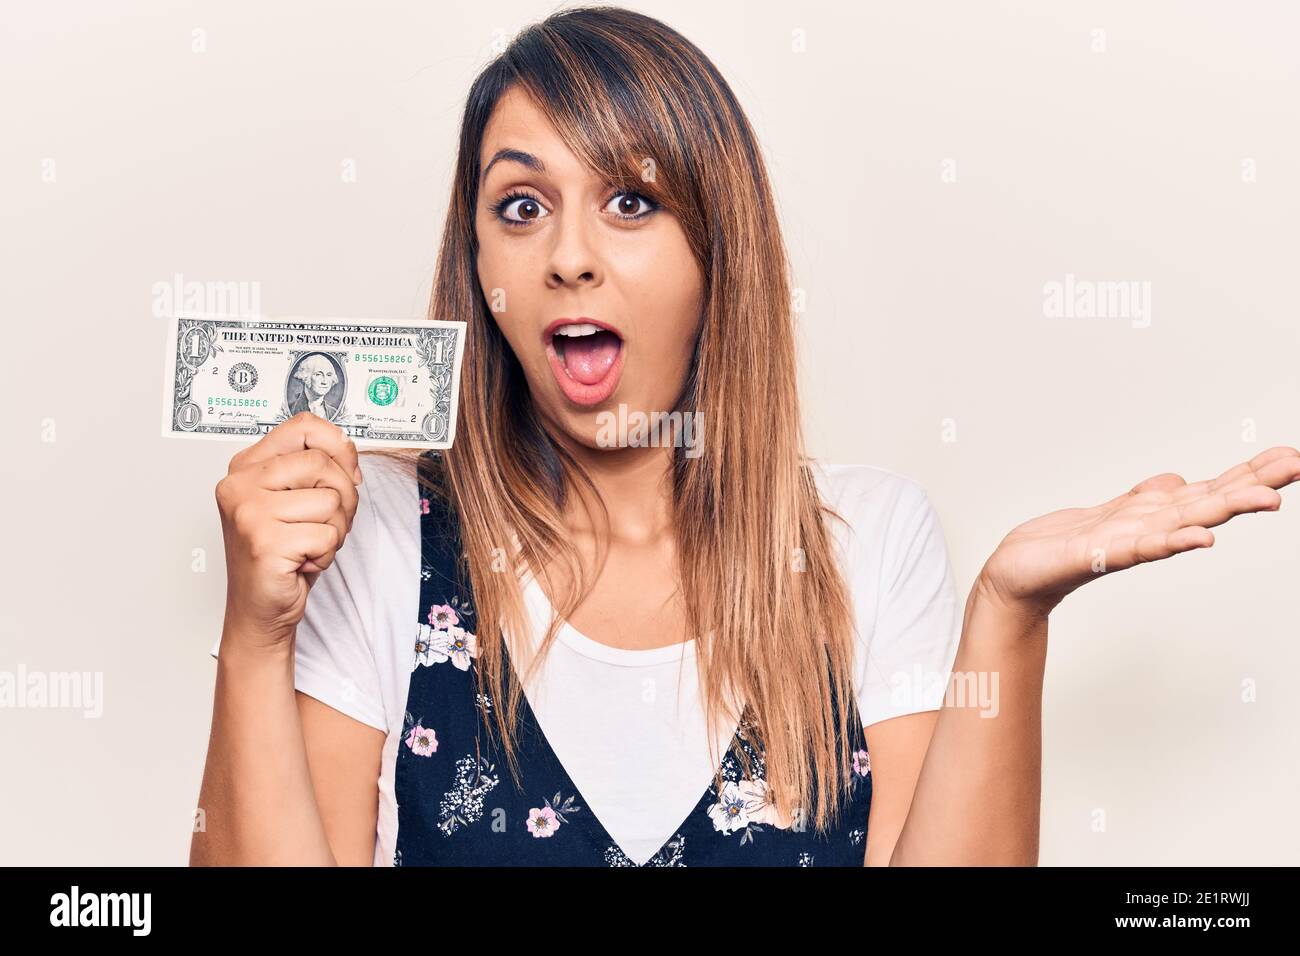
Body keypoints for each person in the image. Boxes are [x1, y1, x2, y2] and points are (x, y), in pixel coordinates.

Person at [190, 6, 1299, 867]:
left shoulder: (869, 540)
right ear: (479, 265)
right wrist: (254, 631)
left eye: (632, 202)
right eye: (520, 206)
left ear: (718, 251)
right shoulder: (377, 535)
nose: (568, 256)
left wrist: (1008, 610)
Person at [286, 353, 342, 421]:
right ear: (305, 377)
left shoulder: (334, 413)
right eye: (318, 374)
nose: (324, 382)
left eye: (329, 375)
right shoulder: (290, 410)